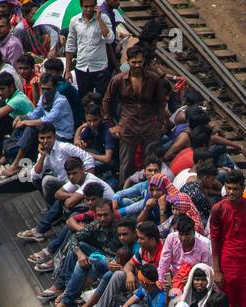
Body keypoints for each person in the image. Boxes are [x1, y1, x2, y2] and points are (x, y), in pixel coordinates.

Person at [103, 42, 170, 187]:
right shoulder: (118, 80)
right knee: (126, 164)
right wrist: (112, 125)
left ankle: (151, 189)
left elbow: (161, 101)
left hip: (149, 126)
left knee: (151, 162)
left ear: (144, 61)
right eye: (134, 62)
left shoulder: (154, 79)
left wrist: (159, 122)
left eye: (140, 62)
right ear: (128, 62)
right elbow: (106, 101)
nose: (137, 65)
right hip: (128, 126)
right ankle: (123, 191)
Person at [208, 167, 246, 307]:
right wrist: (216, 271)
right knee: (228, 304)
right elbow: (214, 241)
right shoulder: (218, 209)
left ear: (243, 188)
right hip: (227, 263)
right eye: (228, 188)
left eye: (235, 189)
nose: (231, 192)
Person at [65, 0, 116, 100]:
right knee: (84, 100)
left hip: (100, 68)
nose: (89, 9)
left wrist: (99, 19)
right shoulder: (74, 21)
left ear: (95, 6)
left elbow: (110, 39)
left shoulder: (104, 18)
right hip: (82, 68)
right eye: (86, 6)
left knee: (103, 100)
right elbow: (70, 46)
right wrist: (67, 71)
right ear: (81, 5)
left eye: (91, 6)